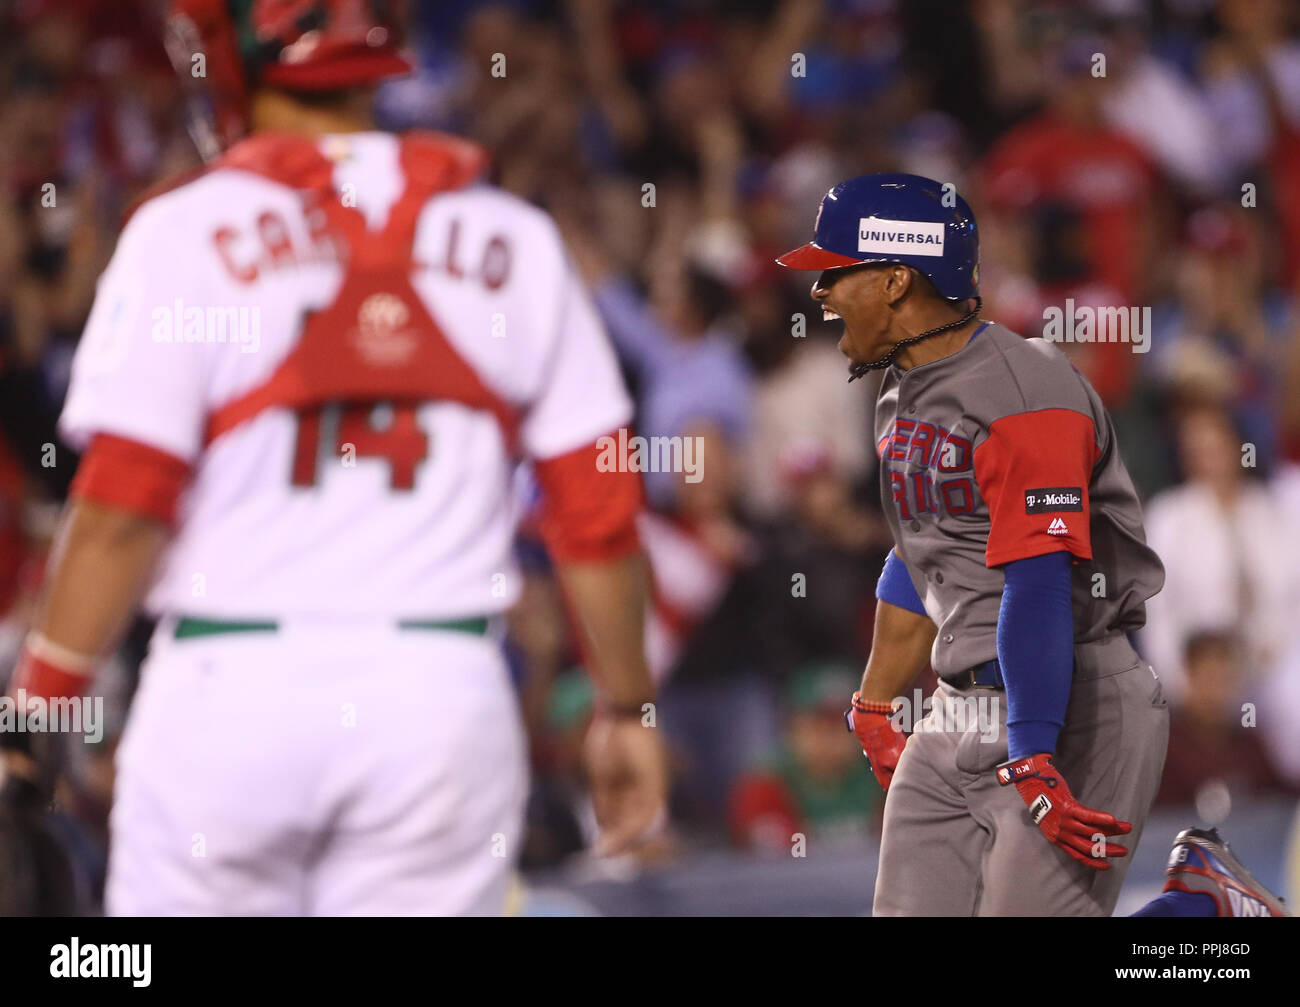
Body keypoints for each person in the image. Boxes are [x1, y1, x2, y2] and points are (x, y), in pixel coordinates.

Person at [0, 0, 666, 916]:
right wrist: (626, 709)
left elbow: (124, 503)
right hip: (438, 696)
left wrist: (37, 712)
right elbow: (596, 509)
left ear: (232, 55)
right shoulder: (515, 236)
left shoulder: (184, 231)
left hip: (229, 692)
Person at [778, 172, 1288, 916]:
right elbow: (925, 555)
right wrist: (877, 699)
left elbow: (1039, 581)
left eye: (835, 271)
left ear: (894, 280)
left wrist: (1034, 750)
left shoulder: (1026, 395)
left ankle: (1204, 909)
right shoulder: (902, 391)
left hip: (1072, 697)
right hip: (960, 705)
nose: (819, 292)